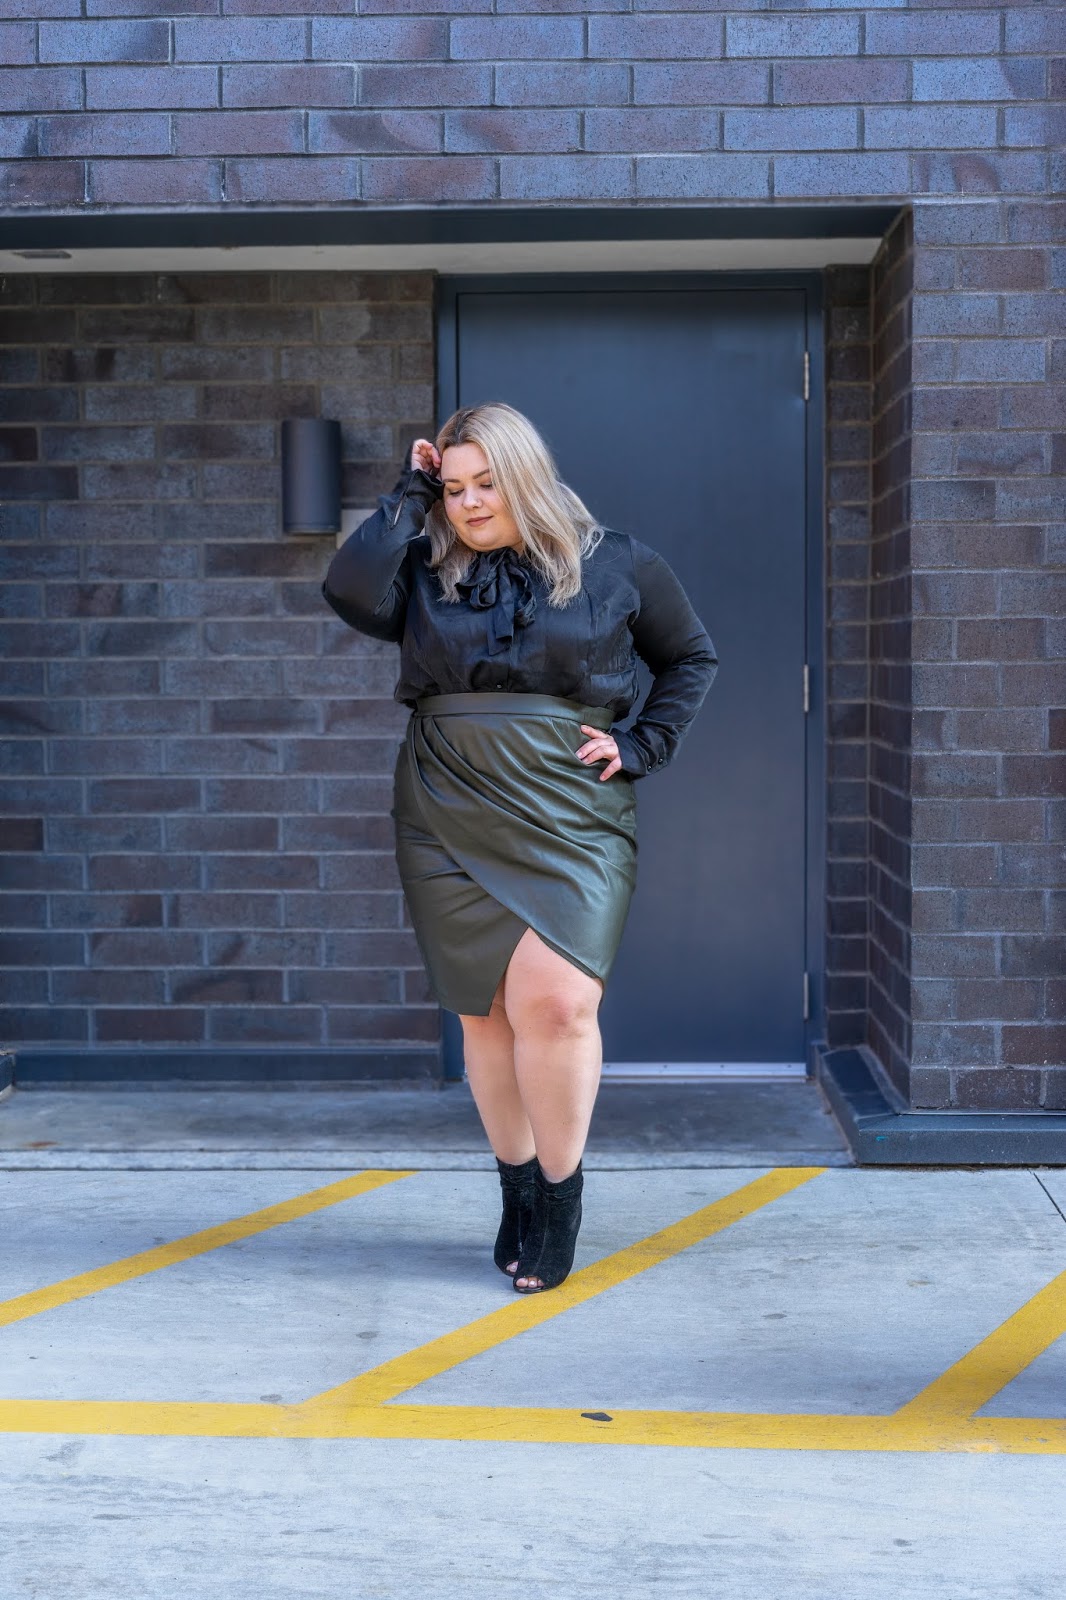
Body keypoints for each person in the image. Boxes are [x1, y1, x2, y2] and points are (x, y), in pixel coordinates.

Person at [322, 403, 717, 1293]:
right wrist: (410, 494)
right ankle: (517, 1186)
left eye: (485, 483)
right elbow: (348, 590)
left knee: (560, 1005)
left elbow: (691, 657)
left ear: (525, 475)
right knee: (486, 1014)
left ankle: (561, 1194)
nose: (468, 503)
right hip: (446, 804)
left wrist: (643, 744)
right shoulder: (425, 571)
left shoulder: (617, 563)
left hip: (569, 811)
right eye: (454, 488)